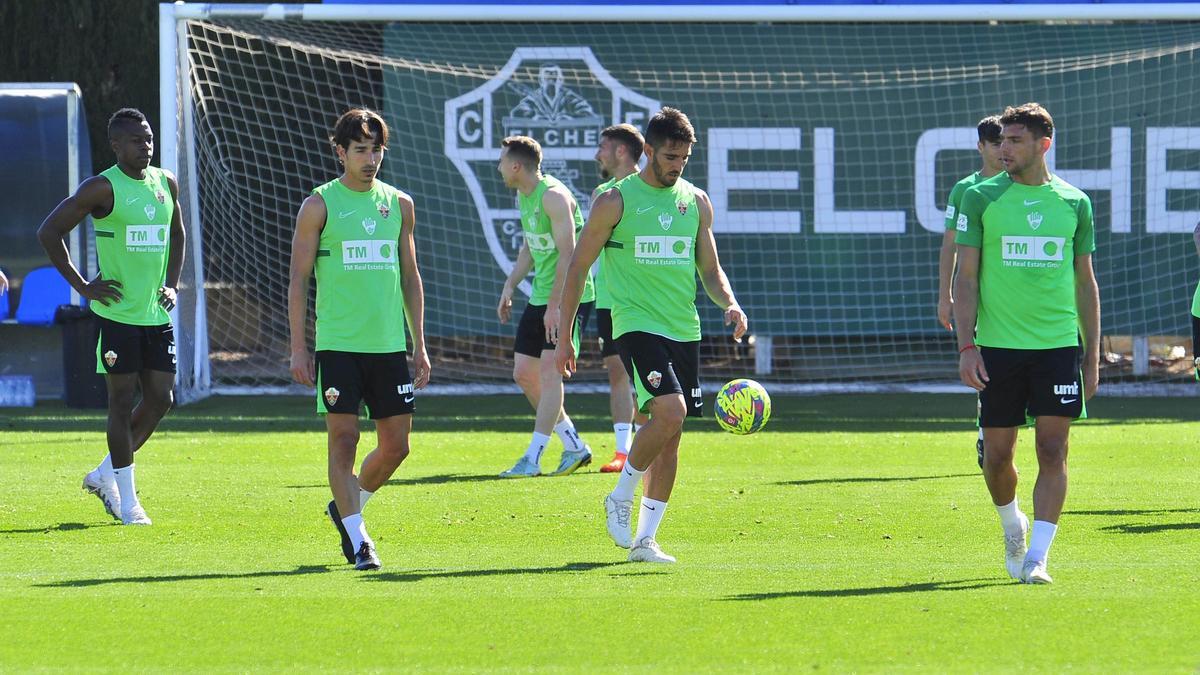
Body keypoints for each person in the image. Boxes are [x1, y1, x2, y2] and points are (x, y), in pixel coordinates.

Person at [556, 107, 748, 564]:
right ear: (648, 150)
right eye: (669, 155)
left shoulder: (696, 201)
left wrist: (732, 303)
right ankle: (620, 495)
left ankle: (645, 541)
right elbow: (578, 267)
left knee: (671, 432)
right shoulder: (615, 201)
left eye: (683, 157)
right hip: (635, 322)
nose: (677, 164)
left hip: (683, 326)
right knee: (670, 411)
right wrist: (566, 335)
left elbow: (710, 268)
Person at [953, 102, 1100, 585]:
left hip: (1057, 346)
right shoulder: (980, 198)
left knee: (1054, 450)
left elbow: (1085, 284)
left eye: (1015, 141)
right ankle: (1010, 525)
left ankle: (1038, 556)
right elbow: (967, 278)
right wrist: (966, 347)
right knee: (996, 457)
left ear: (1043, 144)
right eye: (1001, 141)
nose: (1004, 149)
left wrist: (1092, 354)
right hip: (997, 348)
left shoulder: (1075, 202)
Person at [288, 108, 430, 571]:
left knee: (397, 446)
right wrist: (298, 346)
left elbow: (410, 276)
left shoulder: (400, 204)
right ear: (340, 152)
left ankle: (346, 506)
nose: (370, 159)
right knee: (344, 439)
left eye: (376, 150)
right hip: (338, 346)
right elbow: (298, 280)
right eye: (360, 150)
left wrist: (419, 344)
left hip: (388, 346)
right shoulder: (319, 205)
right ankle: (358, 539)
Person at [37, 108, 185, 526]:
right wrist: (83, 287)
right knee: (120, 402)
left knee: (161, 399)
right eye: (137, 140)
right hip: (117, 314)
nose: (146, 146)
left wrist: (171, 283)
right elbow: (49, 231)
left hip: (155, 313)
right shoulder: (102, 188)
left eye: (149, 138)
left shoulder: (165, 182)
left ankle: (105, 474)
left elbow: (177, 233)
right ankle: (129, 501)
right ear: (116, 145)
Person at [495, 136, 596, 478]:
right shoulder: (524, 195)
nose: (498, 167)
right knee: (524, 373)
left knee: (551, 373)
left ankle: (533, 458)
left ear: (516, 166)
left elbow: (569, 255)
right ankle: (573, 445)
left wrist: (557, 306)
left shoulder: (553, 197)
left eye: (501, 160)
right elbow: (529, 246)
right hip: (541, 296)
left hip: (571, 297)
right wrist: (510, 284)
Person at [940, 115, 1005, 469]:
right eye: (994, 144)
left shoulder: (1019, 184)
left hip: (1010, 293)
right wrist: (944, 294)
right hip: (976, 292)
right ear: (980, 147)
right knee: (984, 362)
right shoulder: (966, 190)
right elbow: (950, 245)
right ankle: (986, 432)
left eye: (1005, 143)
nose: (1001, 150)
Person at [591, 124, 650, 473]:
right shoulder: (602, 192)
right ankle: (622, 450)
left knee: (644, 378)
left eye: (603, 147)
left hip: (643, 303)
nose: (598, 154)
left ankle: (645, 442)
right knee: (617, 373)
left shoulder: (647, 190)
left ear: (621, 152)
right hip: (608, 302)